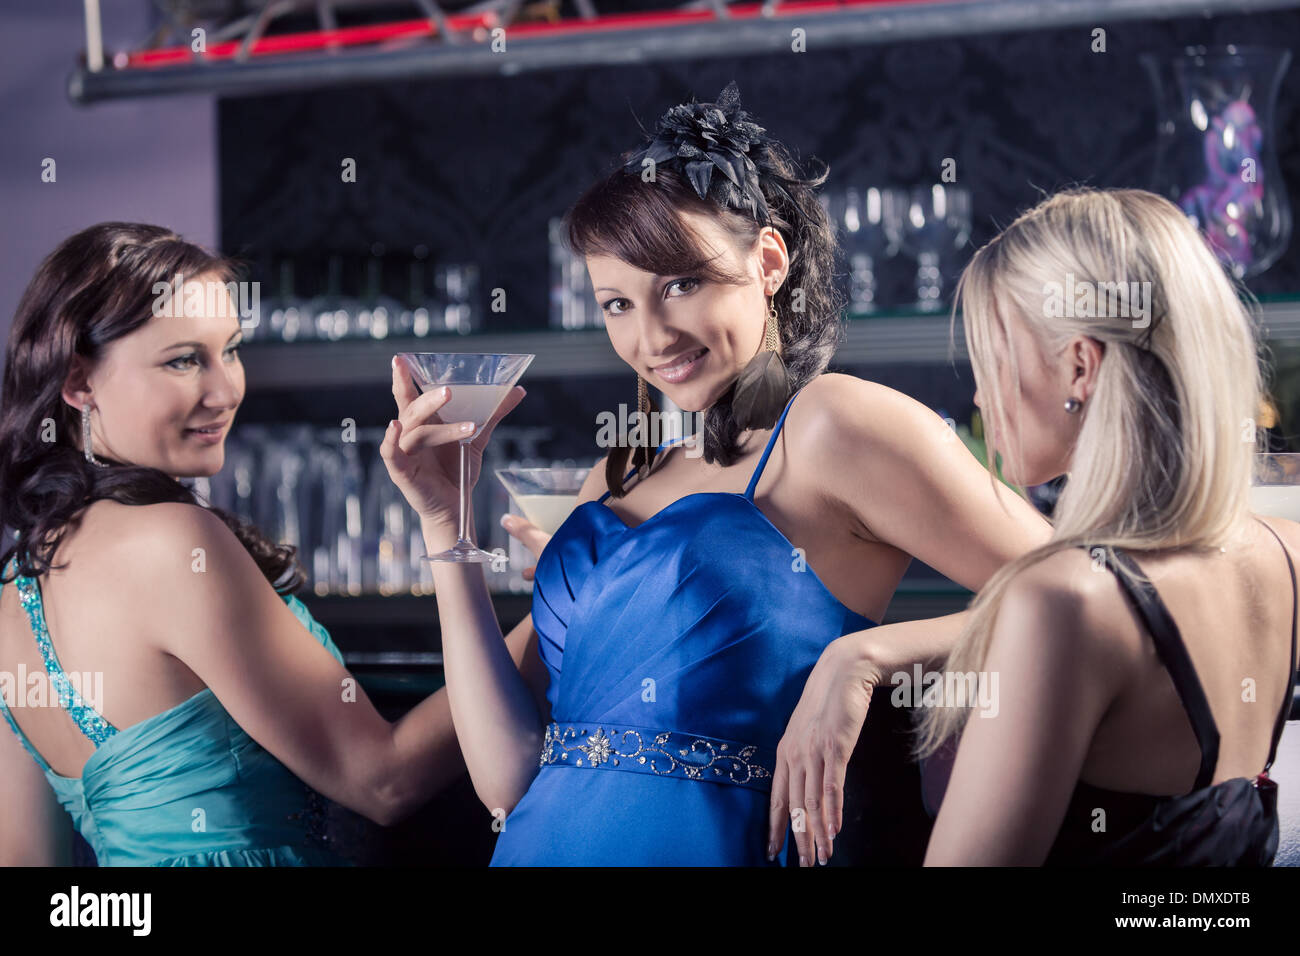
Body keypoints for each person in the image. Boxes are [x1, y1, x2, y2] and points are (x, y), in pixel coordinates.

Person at [381, 81, 1052, 866]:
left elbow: (1096, 598)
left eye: (680, 285)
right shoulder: (621, 476)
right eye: (617, 305)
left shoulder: (834, 425)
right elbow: (505, 778)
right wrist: (445, 526)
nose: (652, 334)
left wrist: (864, 658)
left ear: (768, 261)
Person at [774, 186, 1300, 866]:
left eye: (993, 360)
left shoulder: (1064, 598)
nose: (978, 395)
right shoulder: (1286, 553)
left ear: (1079, 366)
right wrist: (865, 652)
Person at [0, 223, 471, 865]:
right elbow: (385, 780)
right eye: (183, 359)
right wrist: (567, 611)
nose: (225, 392)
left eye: (232, 350)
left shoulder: (16, 584)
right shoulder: (173, 542)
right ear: (79, 382)